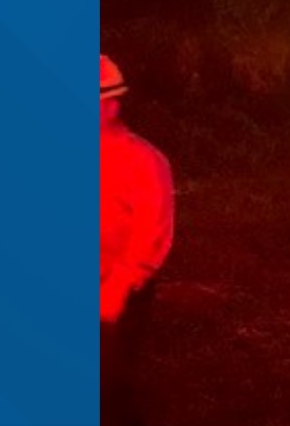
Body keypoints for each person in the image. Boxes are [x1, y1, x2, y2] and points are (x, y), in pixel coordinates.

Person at [100, 55, 174, 426]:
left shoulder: (143, 161)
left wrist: (116, 290)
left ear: (111, 104)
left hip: (120, 293)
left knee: (109, 387)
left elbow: (152, 235)